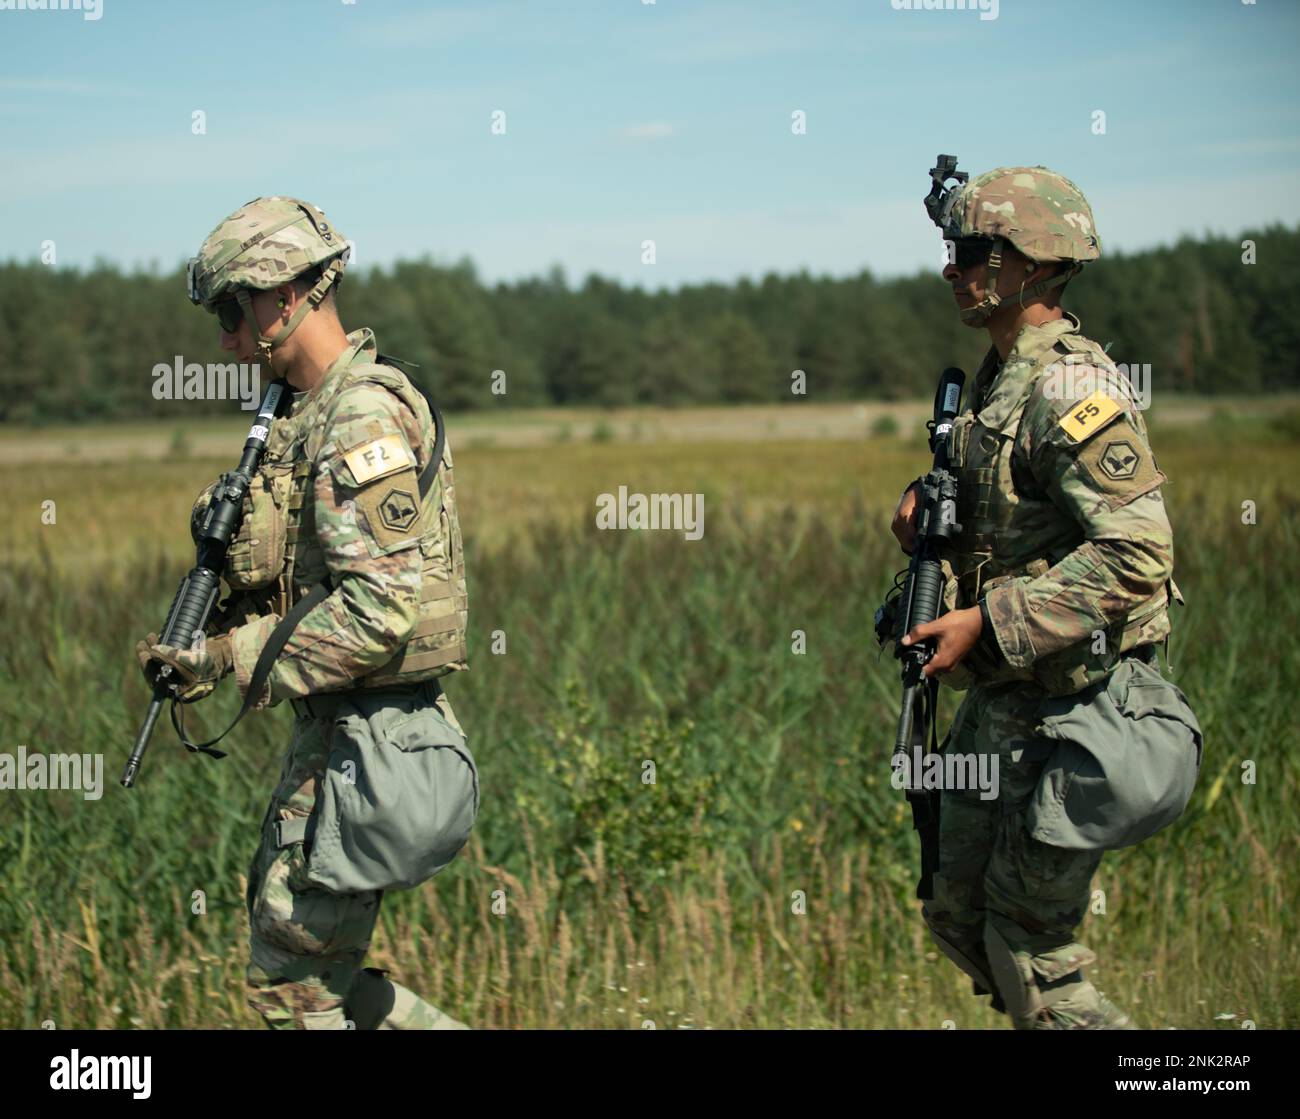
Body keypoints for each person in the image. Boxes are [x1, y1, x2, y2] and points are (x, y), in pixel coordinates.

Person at [136, 196, 477, 1030]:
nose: (223, 337)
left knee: (293, 993)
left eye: (230, 309)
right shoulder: (301, 412)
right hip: (337, 735)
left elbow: (377, 611)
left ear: (283, 296)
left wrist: (226, 661)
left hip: (369, 744)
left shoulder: (360, 413)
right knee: (303, 985)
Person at [889, 161, 1202, 1029]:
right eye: (951, 248)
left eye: (973, 248)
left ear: (1033, 261)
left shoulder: (1073, 387)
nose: (953, 266)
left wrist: (989, 617)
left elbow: (1138, 553)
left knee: (1033, 954)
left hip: (1075, 707)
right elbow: (1016, 535)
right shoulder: (1000, 380)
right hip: (1000, 704)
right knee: (960, 914)